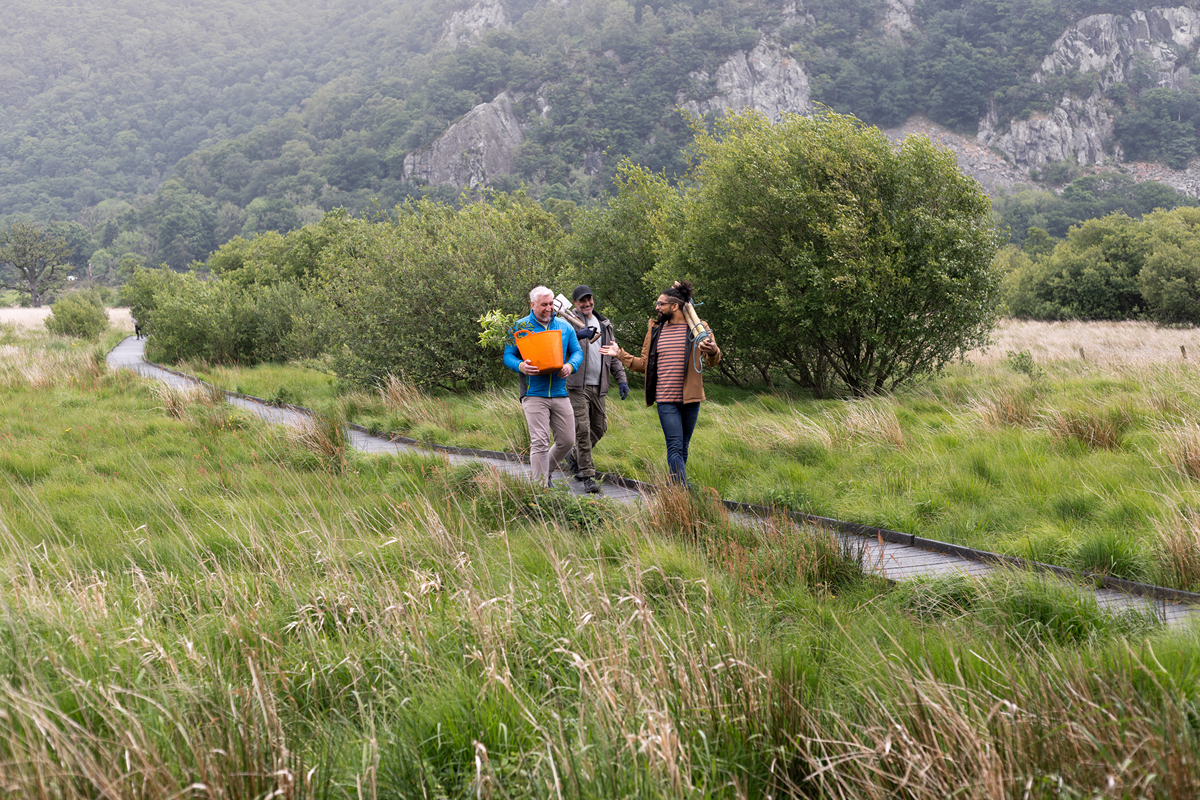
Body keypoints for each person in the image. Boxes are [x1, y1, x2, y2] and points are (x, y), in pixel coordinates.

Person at [599, 280, 720, 488]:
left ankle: (672, 491)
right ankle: (684, 493)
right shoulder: (656, 330)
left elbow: (712, 361)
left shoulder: (698, 328)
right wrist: (620, 355)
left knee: (683, 447)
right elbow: (645, 365)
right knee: (674, 445)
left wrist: (712, 350)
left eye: (660, 303)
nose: (657, 307)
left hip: (691, 398)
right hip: (666, 400)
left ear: (674, 306)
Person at [503, 285, 583, 487]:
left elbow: (577, 353)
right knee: (539, 442)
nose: (549, 308)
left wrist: (570, 365)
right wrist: (520, 365)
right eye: (544, 305)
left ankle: (545, 473)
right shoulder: (520, 328)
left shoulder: (564, 326)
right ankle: (540, 490)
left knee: (567, 440)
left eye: (551, 304)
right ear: (532, 305)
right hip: (533, 392)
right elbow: (508, 356)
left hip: (559, 391)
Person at [563, 284, 628, 494]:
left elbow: (612, 353)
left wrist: (622, 379)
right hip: (577, 386)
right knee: (582, 429)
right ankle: (588, 476)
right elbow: (559, 346)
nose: (587, 303)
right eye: (582, 300)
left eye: (589, 299)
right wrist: (577, 334)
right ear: (575, 303)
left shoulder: (604, 324)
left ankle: (574, 456)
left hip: (599, 386)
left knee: (599, 428)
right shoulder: (566, 321)